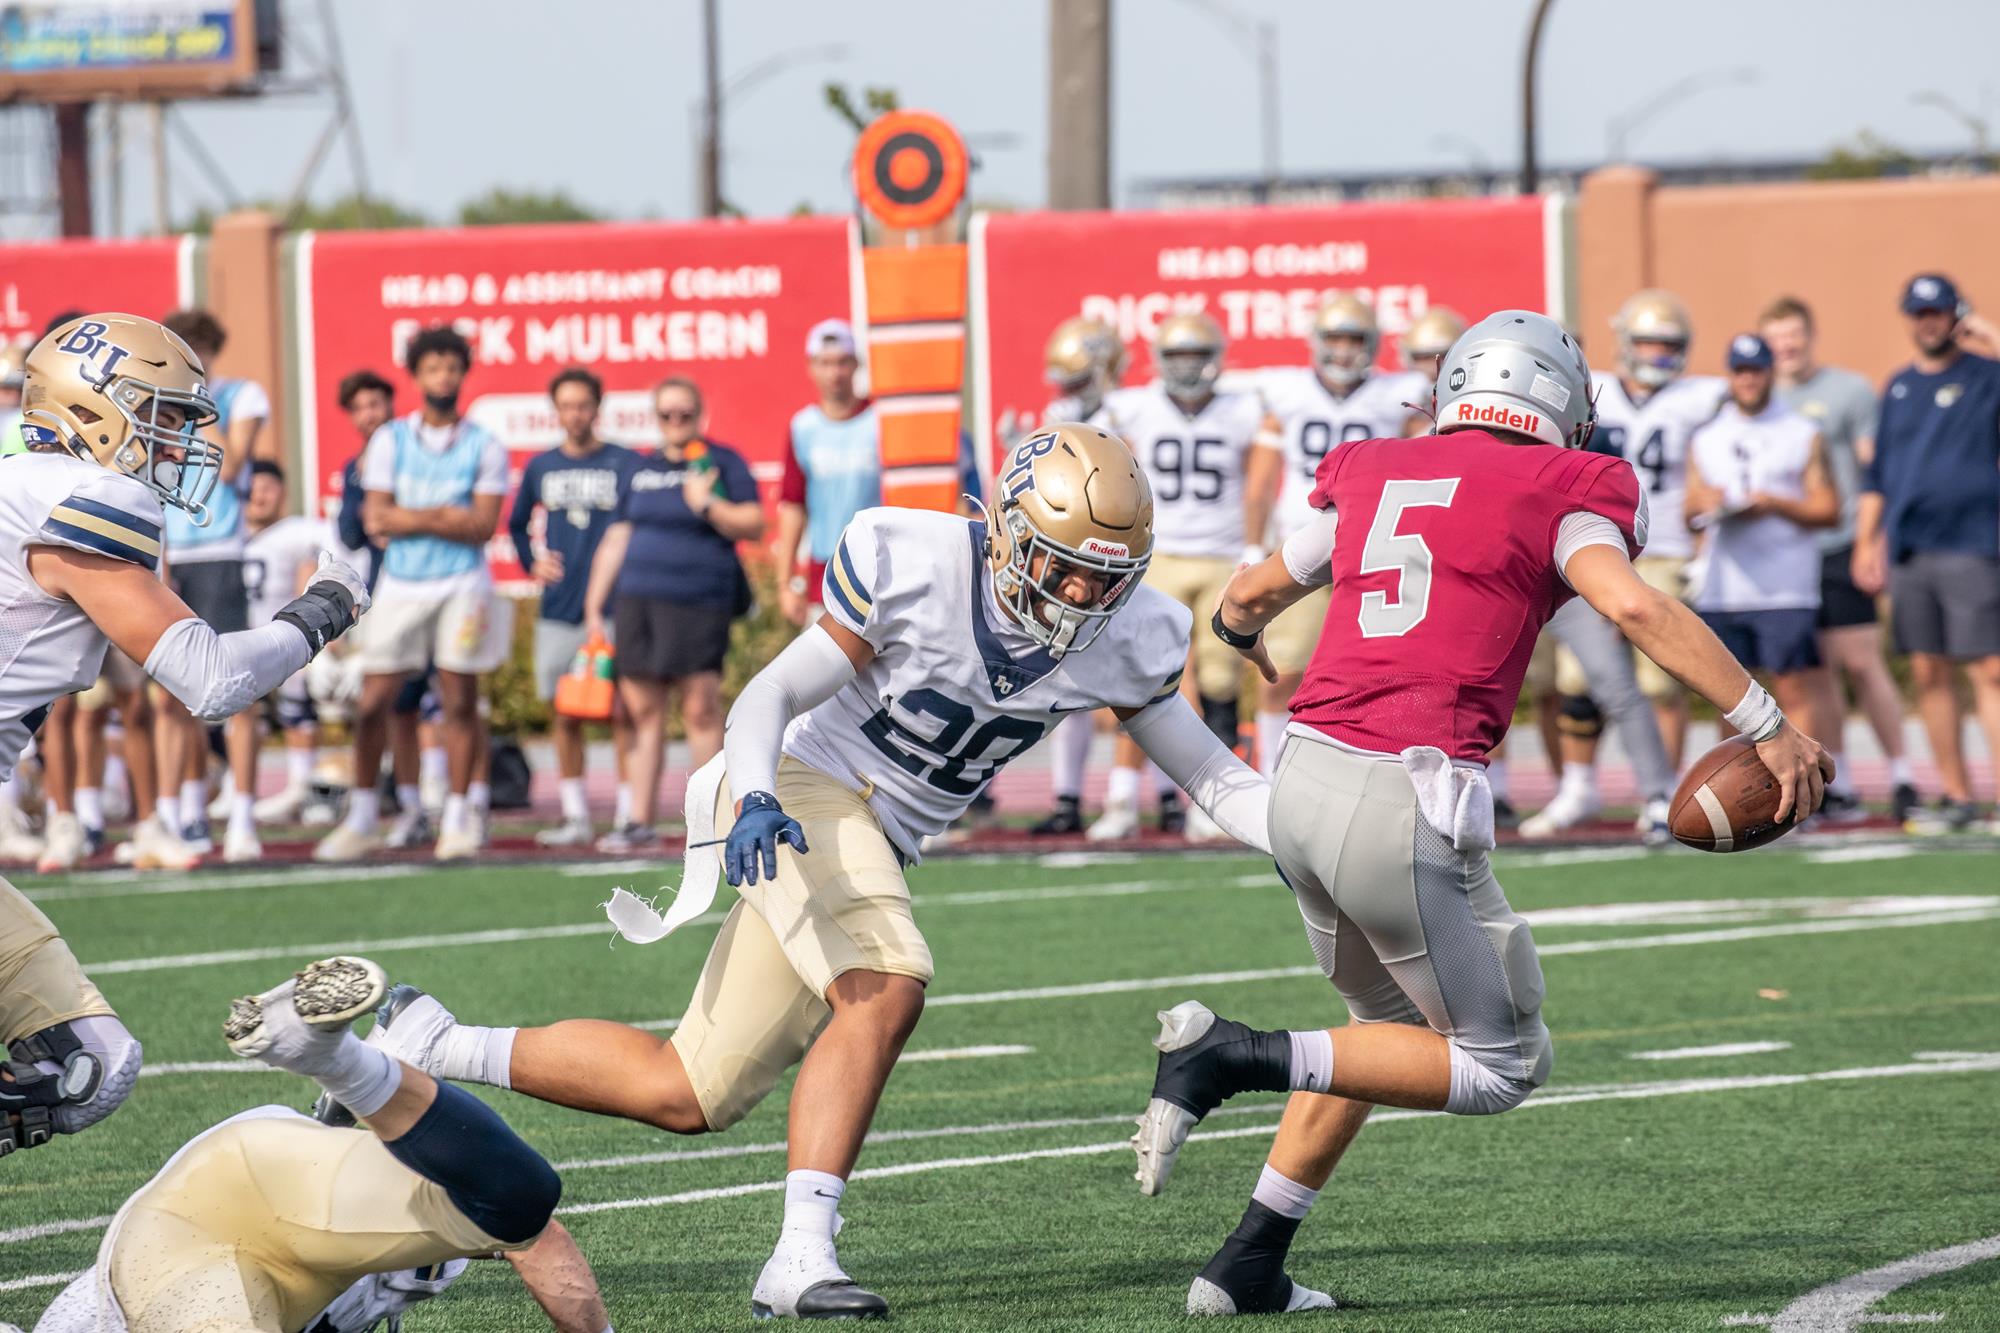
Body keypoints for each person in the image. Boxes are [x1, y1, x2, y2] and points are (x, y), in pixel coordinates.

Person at [368, 424, 1273, 1319]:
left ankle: (432, 1042)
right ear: (1005, 531)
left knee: (687, 1090)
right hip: (798, 786)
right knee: (883, 983)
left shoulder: (1133, 632)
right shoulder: (912, 558)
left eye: (1105, 574)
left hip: (874, 836)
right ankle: (801, 1255)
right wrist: (755, 793)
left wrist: (1312, 836)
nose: (1082, 591)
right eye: (1064, 562)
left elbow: (1210, 775)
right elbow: (769, 693)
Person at [1130, 310, 1830, 1316]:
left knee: (1381, 1028)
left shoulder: (1375, 468)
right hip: (1400, 791)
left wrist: (1239, 630)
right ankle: (1225, 1054)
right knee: (1500, 1063)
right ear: (1557, 400)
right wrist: (1764, 721)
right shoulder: (1565, 485)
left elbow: (1248, 594)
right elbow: (1630, 605)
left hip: (1302, 781)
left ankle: (1245, 1263)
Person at [0, 313, 368, 1159]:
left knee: (87, 1062)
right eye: (159, 415)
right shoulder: (74, 498)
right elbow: (212, 680)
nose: (174, 443)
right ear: (95, 410)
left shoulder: (25, 488)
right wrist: (325, 610)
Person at [20, 955, 607, 1333]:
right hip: (209, 1237)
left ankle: (341, 1060)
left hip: (210, 1232)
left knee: (521, 1200)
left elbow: (536, 1235)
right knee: (515, 1202)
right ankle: (358, 1066)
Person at [1528, 289, 1725, 835]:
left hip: (1663, 548)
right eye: (1648, 344)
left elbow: (1715, 468)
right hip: (1593, 546)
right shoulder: (1596, 392)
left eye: (1669, 346)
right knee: (1576, 678)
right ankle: (1579, 788)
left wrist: (1705, 547)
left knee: (1660, 679)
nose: (1658, 356)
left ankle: (1664, 796)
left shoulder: (1701, 399)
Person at [317, 326, 509, 863]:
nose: (443, 377)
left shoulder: (484, 444)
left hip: (463, 587)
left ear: (463, 373)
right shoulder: (390, 440)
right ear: (417, 375)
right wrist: (448, 515)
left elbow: (484, 526)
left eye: (452, 367)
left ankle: (459, 816)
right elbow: (377, 518)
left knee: (459, 702)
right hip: (401, 583)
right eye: (433, 368)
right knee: (375, 700)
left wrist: (413, 518)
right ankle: (361, 816)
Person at [1091, 311, 1273, 842]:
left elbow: (1262, 481)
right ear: (1159, 361)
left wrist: (1251, 547)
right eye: (1178, 355)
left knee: (1217, 682)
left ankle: (1212, 802)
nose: (1188, 367)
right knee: (1140, 672)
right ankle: (1124, 797)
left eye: (1197, 354)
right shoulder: (1135, 407)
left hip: (1220, 556)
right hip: (1158, 556)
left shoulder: (1244, 409)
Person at [581, 375, 760, 854]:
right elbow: (617, 536)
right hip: (637, 601)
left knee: (700, 709)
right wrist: (594, 606)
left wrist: (708, 504)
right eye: (666, 415)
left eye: (684, 414)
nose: (675, 423)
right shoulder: (641, 468)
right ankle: (638, 819)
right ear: (655, 417)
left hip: (699, 599)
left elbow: (755, 522)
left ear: (700, 415)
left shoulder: (721, 463)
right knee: (642, 712)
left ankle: (713, 821)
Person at [1254, 295, 1427, 779]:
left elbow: (1428, 463)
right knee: (1283, 670)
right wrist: (1252, 546)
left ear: (1373, 343)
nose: (1345, 350)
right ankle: (1271, 774)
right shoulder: (1285, 393)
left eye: (1355, 338)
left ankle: (1385, 771)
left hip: (1376, 545)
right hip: (1304, 539)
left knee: (1387, 669)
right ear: (1316, 342)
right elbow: (1262, 480)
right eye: (1335, 338)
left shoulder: (1400, 393)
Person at [1855, 274, 2000, 833]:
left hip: (1972, 542)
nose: (1929, 321)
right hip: (1913, 550)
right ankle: (1958, 796)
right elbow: (1879, 476)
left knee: (1990, 670)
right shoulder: (1898, 388)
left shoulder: (1985, 375)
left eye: (1938, 311)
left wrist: (1987, 333)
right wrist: (1868, 541)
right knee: (1929, 672)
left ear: (1956, 313)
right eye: (1919, 312)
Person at [1759, 296, 1907, 820]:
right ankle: (1836, 778)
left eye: (1793, 335)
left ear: (1810, 334)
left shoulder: (1846, 390)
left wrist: (1874, 541)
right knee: (1814, 673)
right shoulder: (1760, 394)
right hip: (1785, 556)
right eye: (1777, 339)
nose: (1787, 347)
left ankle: (1903, 774)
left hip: (1839, 544)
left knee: (1863, 663)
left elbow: (1875, 470)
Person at [1685, 334, 1841, 753]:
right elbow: (1689, 511)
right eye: (1740, 371)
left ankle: (1806, 798)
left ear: (1771, 372)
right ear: (1730, 375)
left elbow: (1829, 508)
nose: (1748, 380)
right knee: (1730, 701)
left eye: (1756, 370)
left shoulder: (1801, 432)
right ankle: (1736, 802)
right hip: (1725, 588)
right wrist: (1708, 504)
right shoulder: (1707, 436)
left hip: (1784, 586)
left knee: (1792, 691)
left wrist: (1775, 504)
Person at [156, 308, 273, 861]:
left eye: (199, 347)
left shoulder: (242, 395)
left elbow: (229, 467)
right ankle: (184, 810)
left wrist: (201, 403)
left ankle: (244, 817)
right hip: (168, 555)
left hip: (221, 549)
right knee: (173, 694)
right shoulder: (158, 407)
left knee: (236, 687)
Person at [509, 368, 637, 848]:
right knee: (565, 714)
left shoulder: (624, 463)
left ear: (597, 408)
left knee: (621, 710)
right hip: (558, 608)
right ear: (556, 410)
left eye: (584, 404)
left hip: (613, 607)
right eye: (566, 405)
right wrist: (531, 563)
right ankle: (576, 815)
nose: (575, 414)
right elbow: (517, 523)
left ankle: (628, 814)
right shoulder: (542, 466)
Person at [1029, 315, 1130, 836]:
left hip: (1124, 557)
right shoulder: (1057, 416)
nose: (1068, 393)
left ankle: (1150, 796)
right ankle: (1067, 795)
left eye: (1078, 381)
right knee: (1063, 673)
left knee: (1139, 674)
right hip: (1074, 556)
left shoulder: (1131, 411)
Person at [241, 461, 333, 835]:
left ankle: (302, 786)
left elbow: (319, 563)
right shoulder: (232, 535)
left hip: (286, 636)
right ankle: (238, 786)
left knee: (299, 709)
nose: (260, 495)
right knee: (243, 715)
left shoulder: (296, 532)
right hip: (244, 639)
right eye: (254, 487)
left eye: (268, 487)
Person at [774, 319, 878, 628]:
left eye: (843, 362)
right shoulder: (803, 427)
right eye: (826, 363)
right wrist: (785, 583)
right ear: (811, 367)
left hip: (881, 568)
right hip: (826, 573)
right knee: (830, 673)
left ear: (856, 364)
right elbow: (793, 505)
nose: (835, 373)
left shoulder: (880, 421)